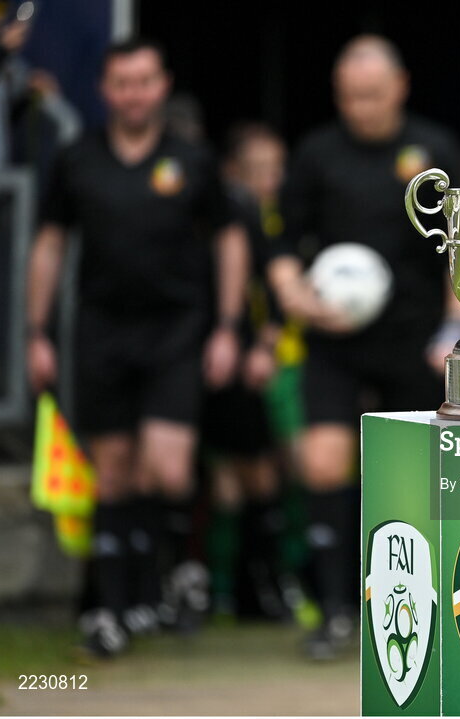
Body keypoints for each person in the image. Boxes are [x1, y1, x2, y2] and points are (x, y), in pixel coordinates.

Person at [25, 37, 249, 657]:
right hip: (101, 331)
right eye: (122, 83)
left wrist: (228, 326)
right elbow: (50, 243)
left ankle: (174, 576)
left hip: (177, 330)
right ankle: (115, 608)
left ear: (162, 85)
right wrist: (36, 332)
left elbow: (230, 239)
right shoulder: (77, 159)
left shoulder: (192, 159)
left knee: (167, 468)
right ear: (106, 90)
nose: (134, 94)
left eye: (144, 81)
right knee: (115, 472)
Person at [266, 34, 460, 658]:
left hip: (413, 338)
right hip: (333, 337)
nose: (362, 107)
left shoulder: (435, 150)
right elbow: (280, 241)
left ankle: (420, 612)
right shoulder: (317, 154)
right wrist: (293, 294)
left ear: (400, 87)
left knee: (412, 477)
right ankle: (335, 611)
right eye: (350, 96)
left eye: (373, 95)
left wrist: (453, 328)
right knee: (323, 463)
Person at [202, 122, 288, 621]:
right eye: (257, 170)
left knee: (259, 473)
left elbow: (276, 294)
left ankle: (255, 587)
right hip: (213, 357)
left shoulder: (281, 221)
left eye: (276, 169)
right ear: (231, 171)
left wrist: (265, 345)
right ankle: (225, 588)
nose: (268, 180)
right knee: (226, 475)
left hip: (253, 359)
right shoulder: (226, 216)